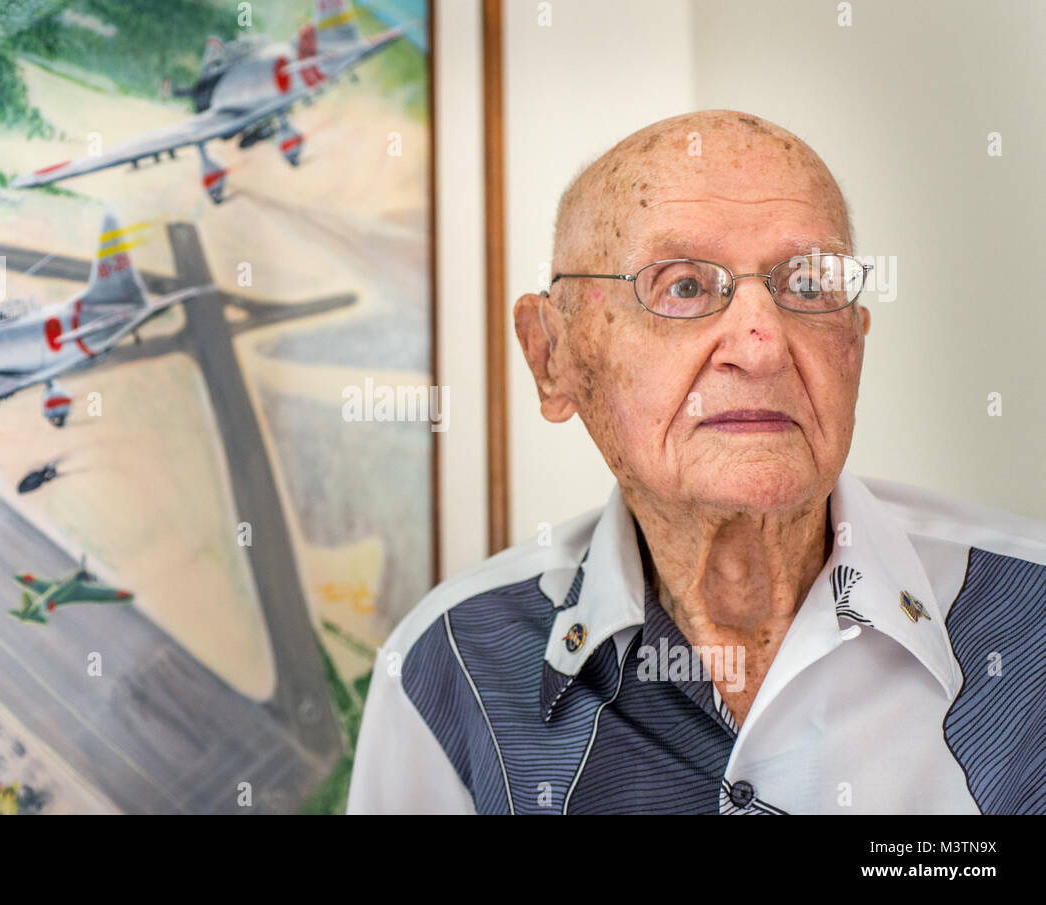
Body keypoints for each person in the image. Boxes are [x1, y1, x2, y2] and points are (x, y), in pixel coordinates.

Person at [347, 109, 1046, 814]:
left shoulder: (1029, 618)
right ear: (551, 355)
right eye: (683, 286)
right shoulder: (451, 665)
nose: (762, 343)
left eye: (807, 284)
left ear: (856, 340)